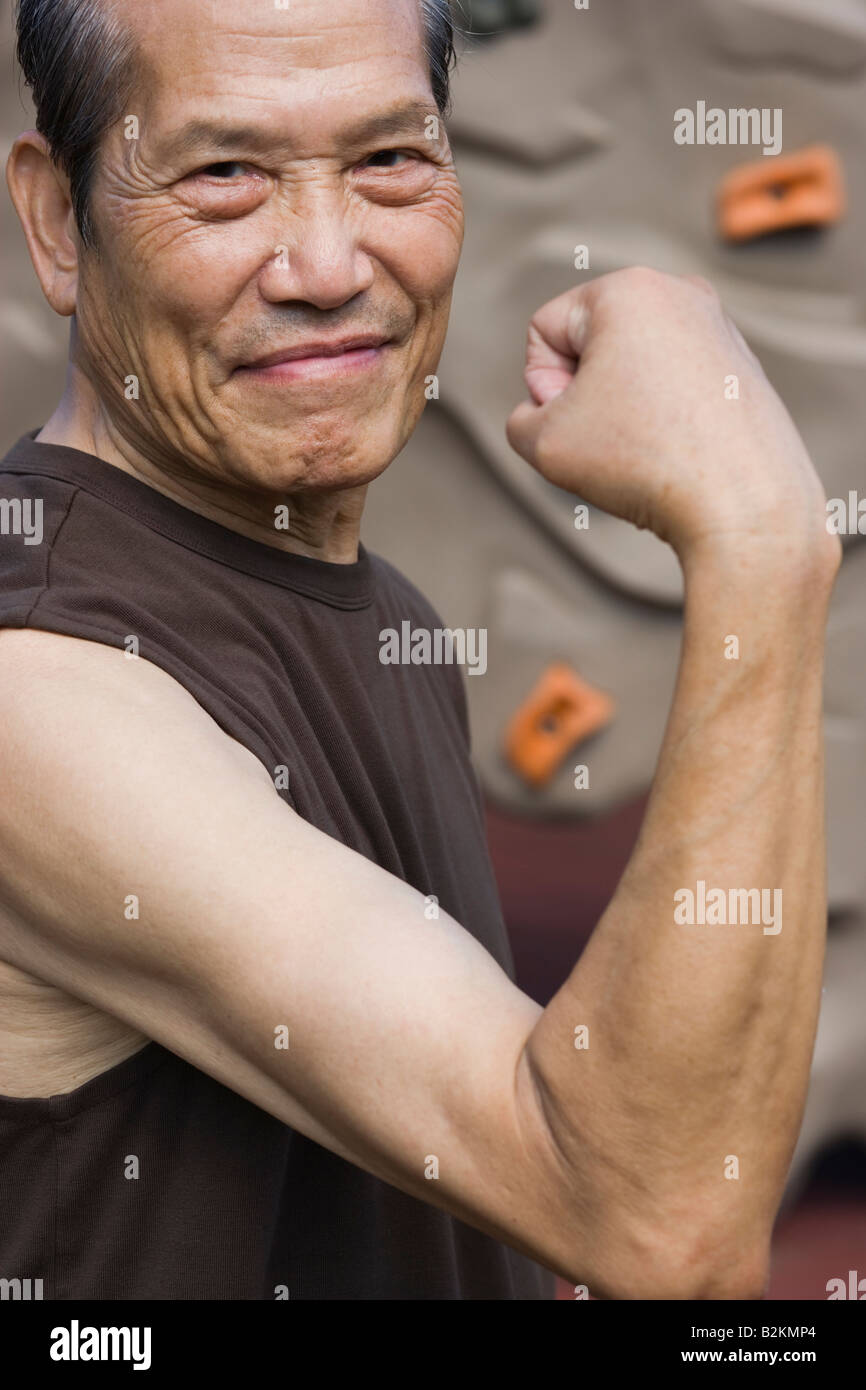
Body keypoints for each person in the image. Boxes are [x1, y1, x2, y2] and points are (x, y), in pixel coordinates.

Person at [0, 0, 840, 1300]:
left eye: (390, 159)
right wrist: (759, 534)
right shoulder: (41, 692)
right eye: (225, 176)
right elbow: (655, 1222)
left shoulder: (381, 614)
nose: (329, 264)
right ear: (60, 220)